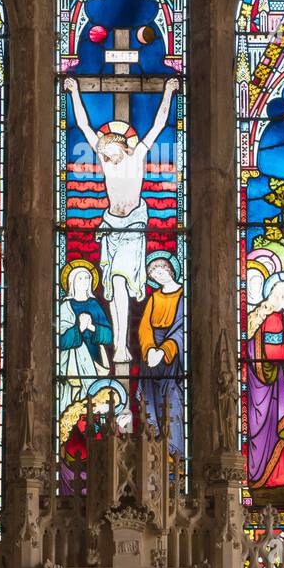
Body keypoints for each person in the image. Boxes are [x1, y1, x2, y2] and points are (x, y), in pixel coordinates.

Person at [64, 76, 178, 364]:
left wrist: (167, 91)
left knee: (119, 281)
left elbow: (158, 125)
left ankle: (122, 345)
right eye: (103, 154)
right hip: (111, 225)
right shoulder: (105, 159)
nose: (105, 157)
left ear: (121, 146)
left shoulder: (137, 155)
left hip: (133, 227)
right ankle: (118, 340)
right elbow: (84, 126)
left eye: (109, 152)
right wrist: (75, 91)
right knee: (113, 288)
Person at [245, 265, 284, 491]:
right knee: (270, 426)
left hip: (262, 381)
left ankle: (269, 472)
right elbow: (272, 352)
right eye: (283, 293)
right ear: (273, 292)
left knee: (268, 428)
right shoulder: (273, 318)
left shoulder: (261, 315)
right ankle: (274, 474)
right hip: (264, 383)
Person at [137, 251, 184, 453]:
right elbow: (144, 327)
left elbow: (182, 329)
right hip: (151, 358)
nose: (158, 275)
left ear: (170, 270)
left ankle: (175, 452)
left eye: (161, 270)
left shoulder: (184, 295)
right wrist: (149, 350)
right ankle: (154, 449)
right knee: (151, 403)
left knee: (172, 401)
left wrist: (165, 350)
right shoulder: (154, 297)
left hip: (172, 357)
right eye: (153, 273)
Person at [56, 260, 113, 424]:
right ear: (71, 282)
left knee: (93, 393)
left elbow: (109, 336)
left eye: (87, 278)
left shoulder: (95, 304)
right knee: (74, 393)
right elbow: (61, 341)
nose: (84, 282)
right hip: (71, 361)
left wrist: (93, 327)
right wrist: (79, 328)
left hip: (94, 357)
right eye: (80, 278)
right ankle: (70, 424)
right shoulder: (65, 306)